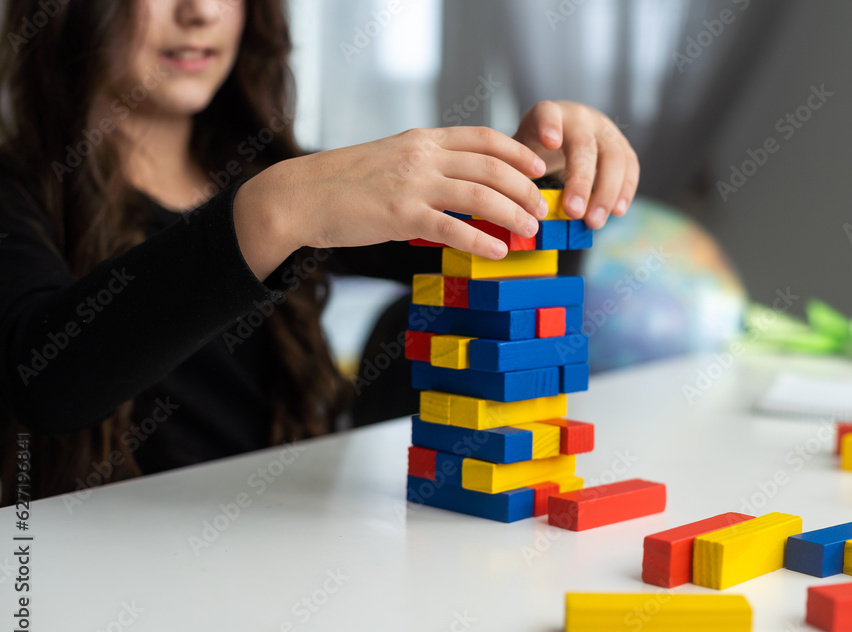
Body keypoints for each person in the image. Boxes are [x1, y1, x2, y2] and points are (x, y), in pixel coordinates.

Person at [0, 0, 639, 506]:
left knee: (422, 326)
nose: (200, 10)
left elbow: (489, 280)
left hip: (290, 543)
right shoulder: (19, 189)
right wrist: (275, 209)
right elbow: (44, 381)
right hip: (96, 577)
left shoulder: (261, 164)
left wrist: (540, 184)